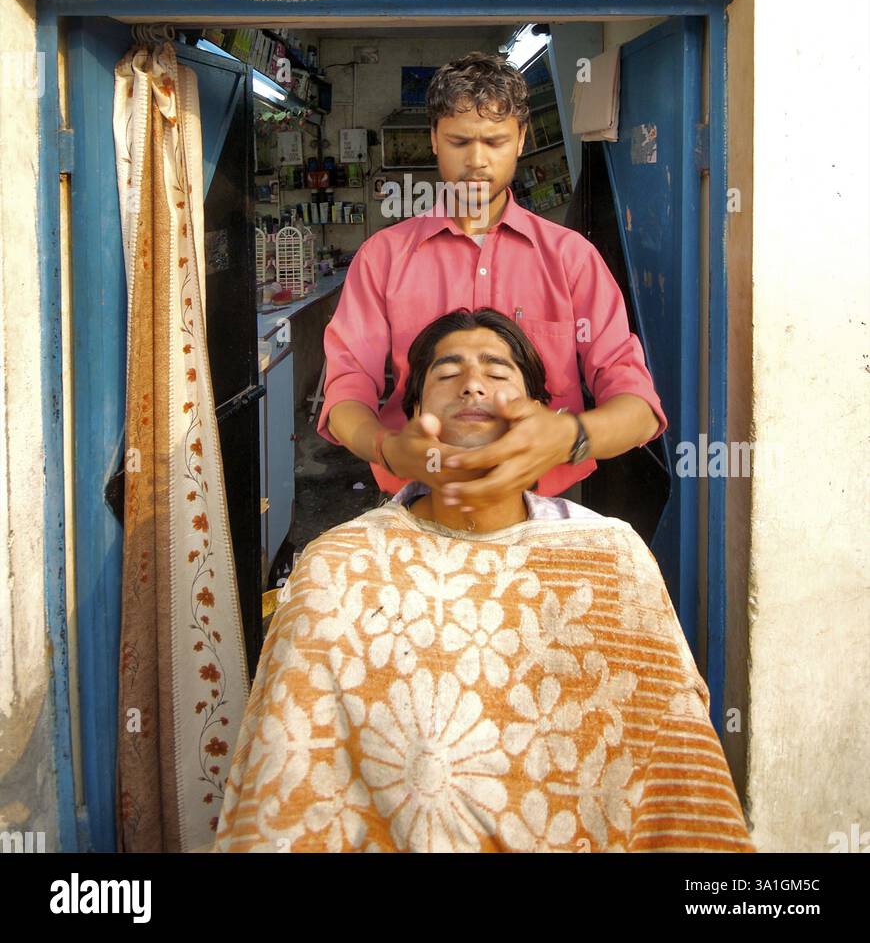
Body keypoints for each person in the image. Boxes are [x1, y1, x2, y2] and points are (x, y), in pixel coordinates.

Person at [215, 311, 754, 854]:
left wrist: (579, 434)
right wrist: (383, 448)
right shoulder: (338, 568)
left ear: (540, 414)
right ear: (416, 415)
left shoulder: (611, 559)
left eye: (497, 372)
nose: (472, 383)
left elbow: (675, 782)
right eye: (446, 374)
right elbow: (286, 790)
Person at [318, 51, 667, 517]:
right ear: (434, 141)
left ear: (522, 139)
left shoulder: (570, 259)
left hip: (545, 504)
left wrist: (569, 437)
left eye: (495, 141)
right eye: (460, 141)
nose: (477, 161)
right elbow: (346, 389)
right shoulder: (382, 259)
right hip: (418, 499)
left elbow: (638, 405)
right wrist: (386, 446)